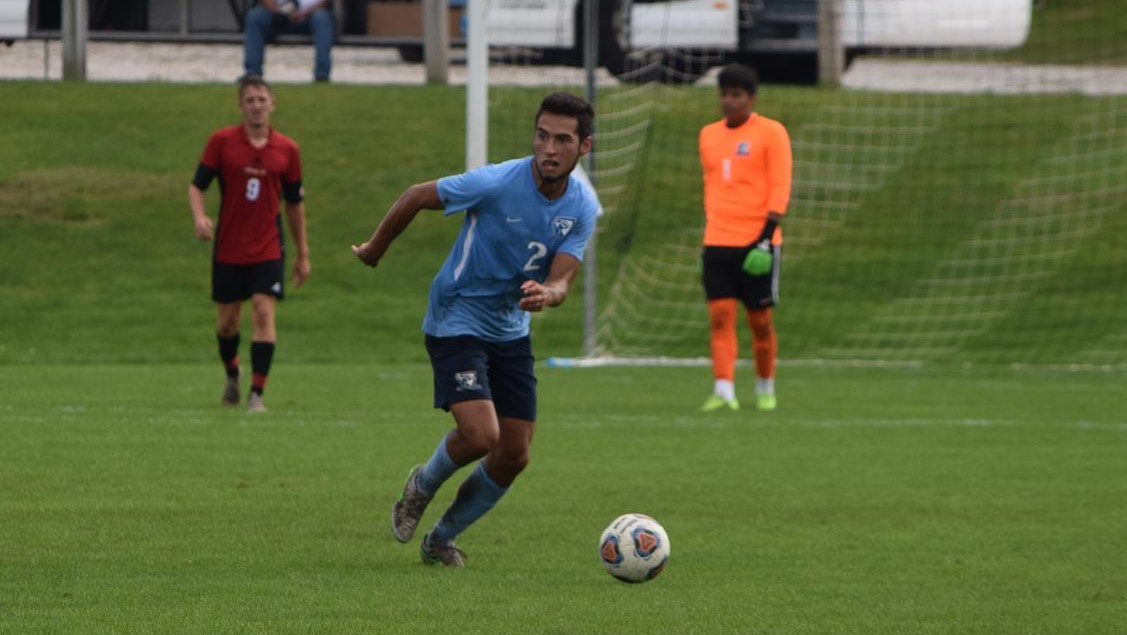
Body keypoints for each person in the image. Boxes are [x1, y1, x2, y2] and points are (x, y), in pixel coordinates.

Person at [351, 93, 599, 567]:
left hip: (510, 329)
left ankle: (440, 540)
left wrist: (549, 293)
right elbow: (415, 195)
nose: (548, 148)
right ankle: (421, 485)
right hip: (456, 316)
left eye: (562, 139)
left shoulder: (582, 206)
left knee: (515, 453)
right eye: (542, 135)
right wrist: (375, 249)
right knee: (482, 434)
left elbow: (563, 277)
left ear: (583, 146)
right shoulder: (497, 181)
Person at [188, 75, 311, 412]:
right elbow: (197, 186)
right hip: (228, 247)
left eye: (262, 99)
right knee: (228, 321)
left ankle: (257, 394)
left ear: (272, 104)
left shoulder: (288, 149)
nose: (256, 105)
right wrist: (200, 216)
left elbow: (294, 204)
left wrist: (303, 253)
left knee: (262, 309)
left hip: (268, 247)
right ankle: (232, 374)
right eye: (250, 100)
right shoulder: (222, 142)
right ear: (241, 105)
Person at [697, 63, 792, 413]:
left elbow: (780, 184)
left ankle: (765, 387)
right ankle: (723, 390)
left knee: (760, 321)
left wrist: (766, 237)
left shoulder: (771, 133)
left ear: (750, 98)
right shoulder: (708, 135)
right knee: (720, 316)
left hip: (758, 241)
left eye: (736, 94)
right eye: (724, 94)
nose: (729, 101)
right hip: (718, 240)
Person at [243, 0, 334, 82]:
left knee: (322, 18)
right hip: (276, 15)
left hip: (309, 16)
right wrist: (278, 11)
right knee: (255, 16)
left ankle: (322, 75)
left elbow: (325, 2)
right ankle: (253, 74)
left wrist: (303, 13)